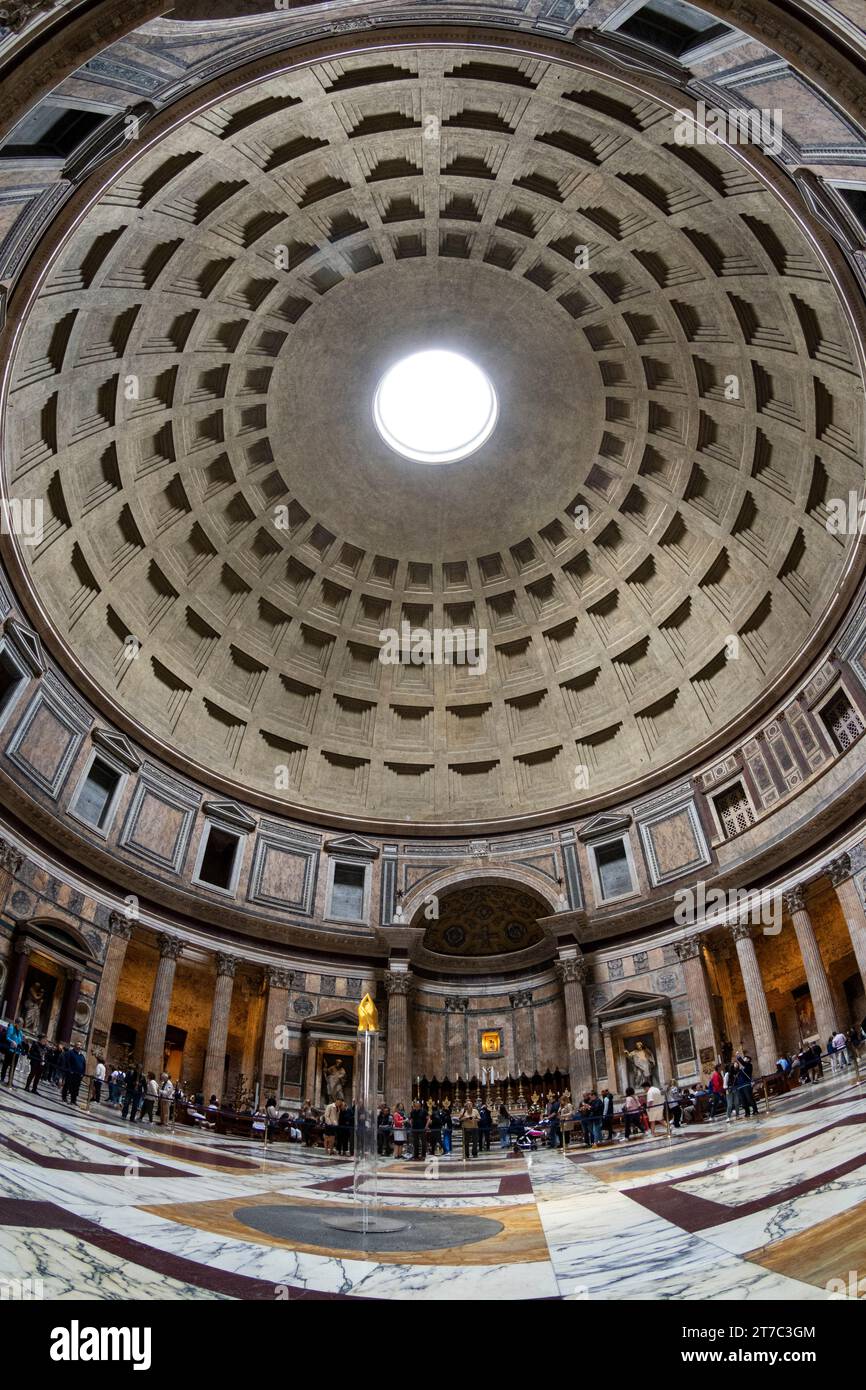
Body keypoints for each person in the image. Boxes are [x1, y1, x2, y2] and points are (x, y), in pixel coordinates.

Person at [0, 1017, 24, 1085]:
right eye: (20, 1024)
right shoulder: (11, 1028)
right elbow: (7, 1037)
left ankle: (10, 1080)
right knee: (6, 1065)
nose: (21, 1026)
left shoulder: (20, 1032)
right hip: (9, 1050)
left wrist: (21, 1046)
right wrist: (12, 1041)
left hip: (16, 1052)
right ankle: (2, 1078)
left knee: (13, 1067)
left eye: (22, 1025)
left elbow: (20, 1041)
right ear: (16, 1023)